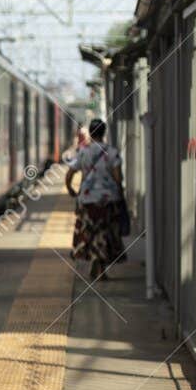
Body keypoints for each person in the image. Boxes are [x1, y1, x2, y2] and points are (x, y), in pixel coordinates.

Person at [65, 118, 125, 280]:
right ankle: (100, 268)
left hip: (87, 200)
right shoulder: (112, 152)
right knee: (105, 232)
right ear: (104, 133)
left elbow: (70, 174)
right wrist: (119, 193)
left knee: (89, 232)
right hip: (108, 200)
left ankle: (94, 262)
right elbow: (118, 178)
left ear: (91, 133)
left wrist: (71, 189)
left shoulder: (82, 152)